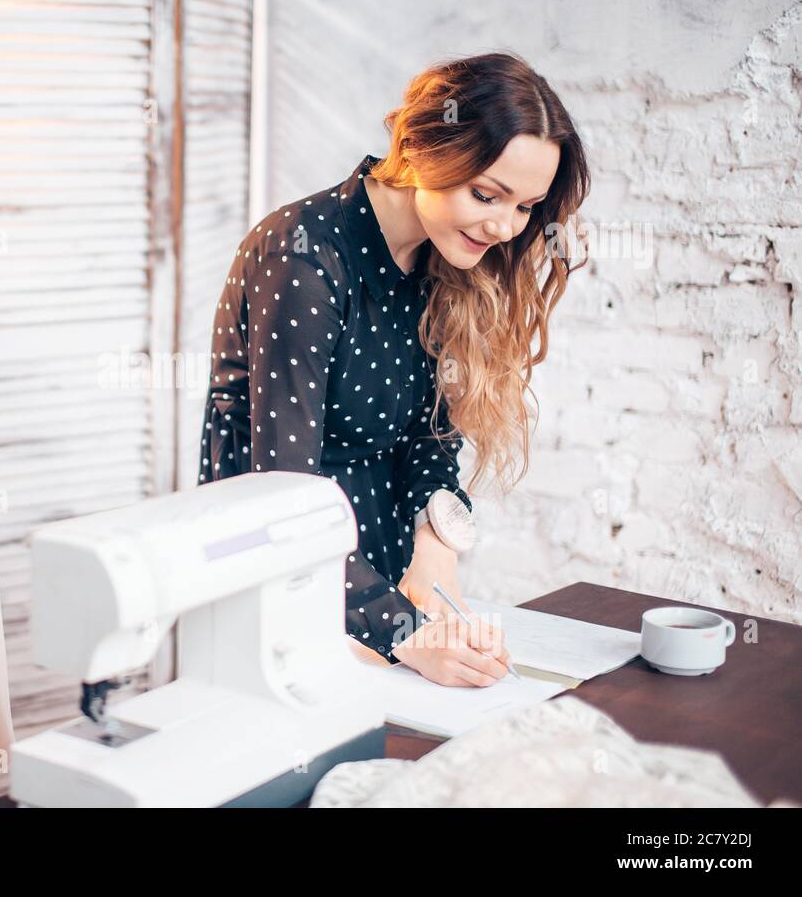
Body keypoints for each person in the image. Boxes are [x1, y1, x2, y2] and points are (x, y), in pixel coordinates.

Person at [198, 51, 590, 686]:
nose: (503, 226)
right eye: (486, 194)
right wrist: (402, 629)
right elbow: (283, 499)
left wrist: (437, 541)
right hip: (285, 583)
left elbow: (427, 430)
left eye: (525, 207)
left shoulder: (443, 257)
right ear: (421, 149)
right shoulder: (303, 256)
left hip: (383, 589)